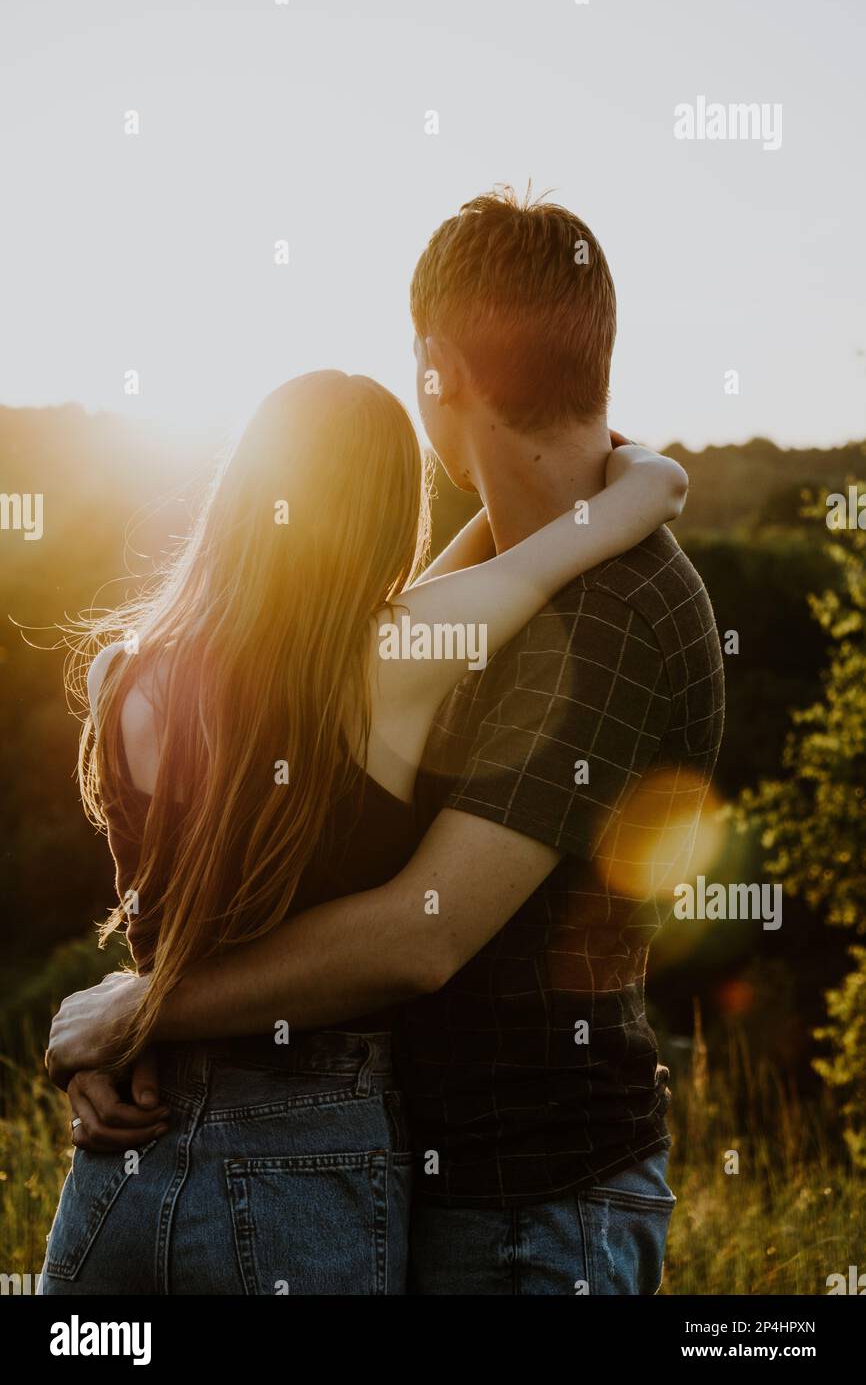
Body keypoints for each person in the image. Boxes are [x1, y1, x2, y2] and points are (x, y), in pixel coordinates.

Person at [47, 187, 723, 1296]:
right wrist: (637, 479)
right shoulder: (406, 649)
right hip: (340, 1168)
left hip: (514, 1200)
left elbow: (422, 938)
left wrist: (140, 1008)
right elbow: (484, 579)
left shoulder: (125, 667)